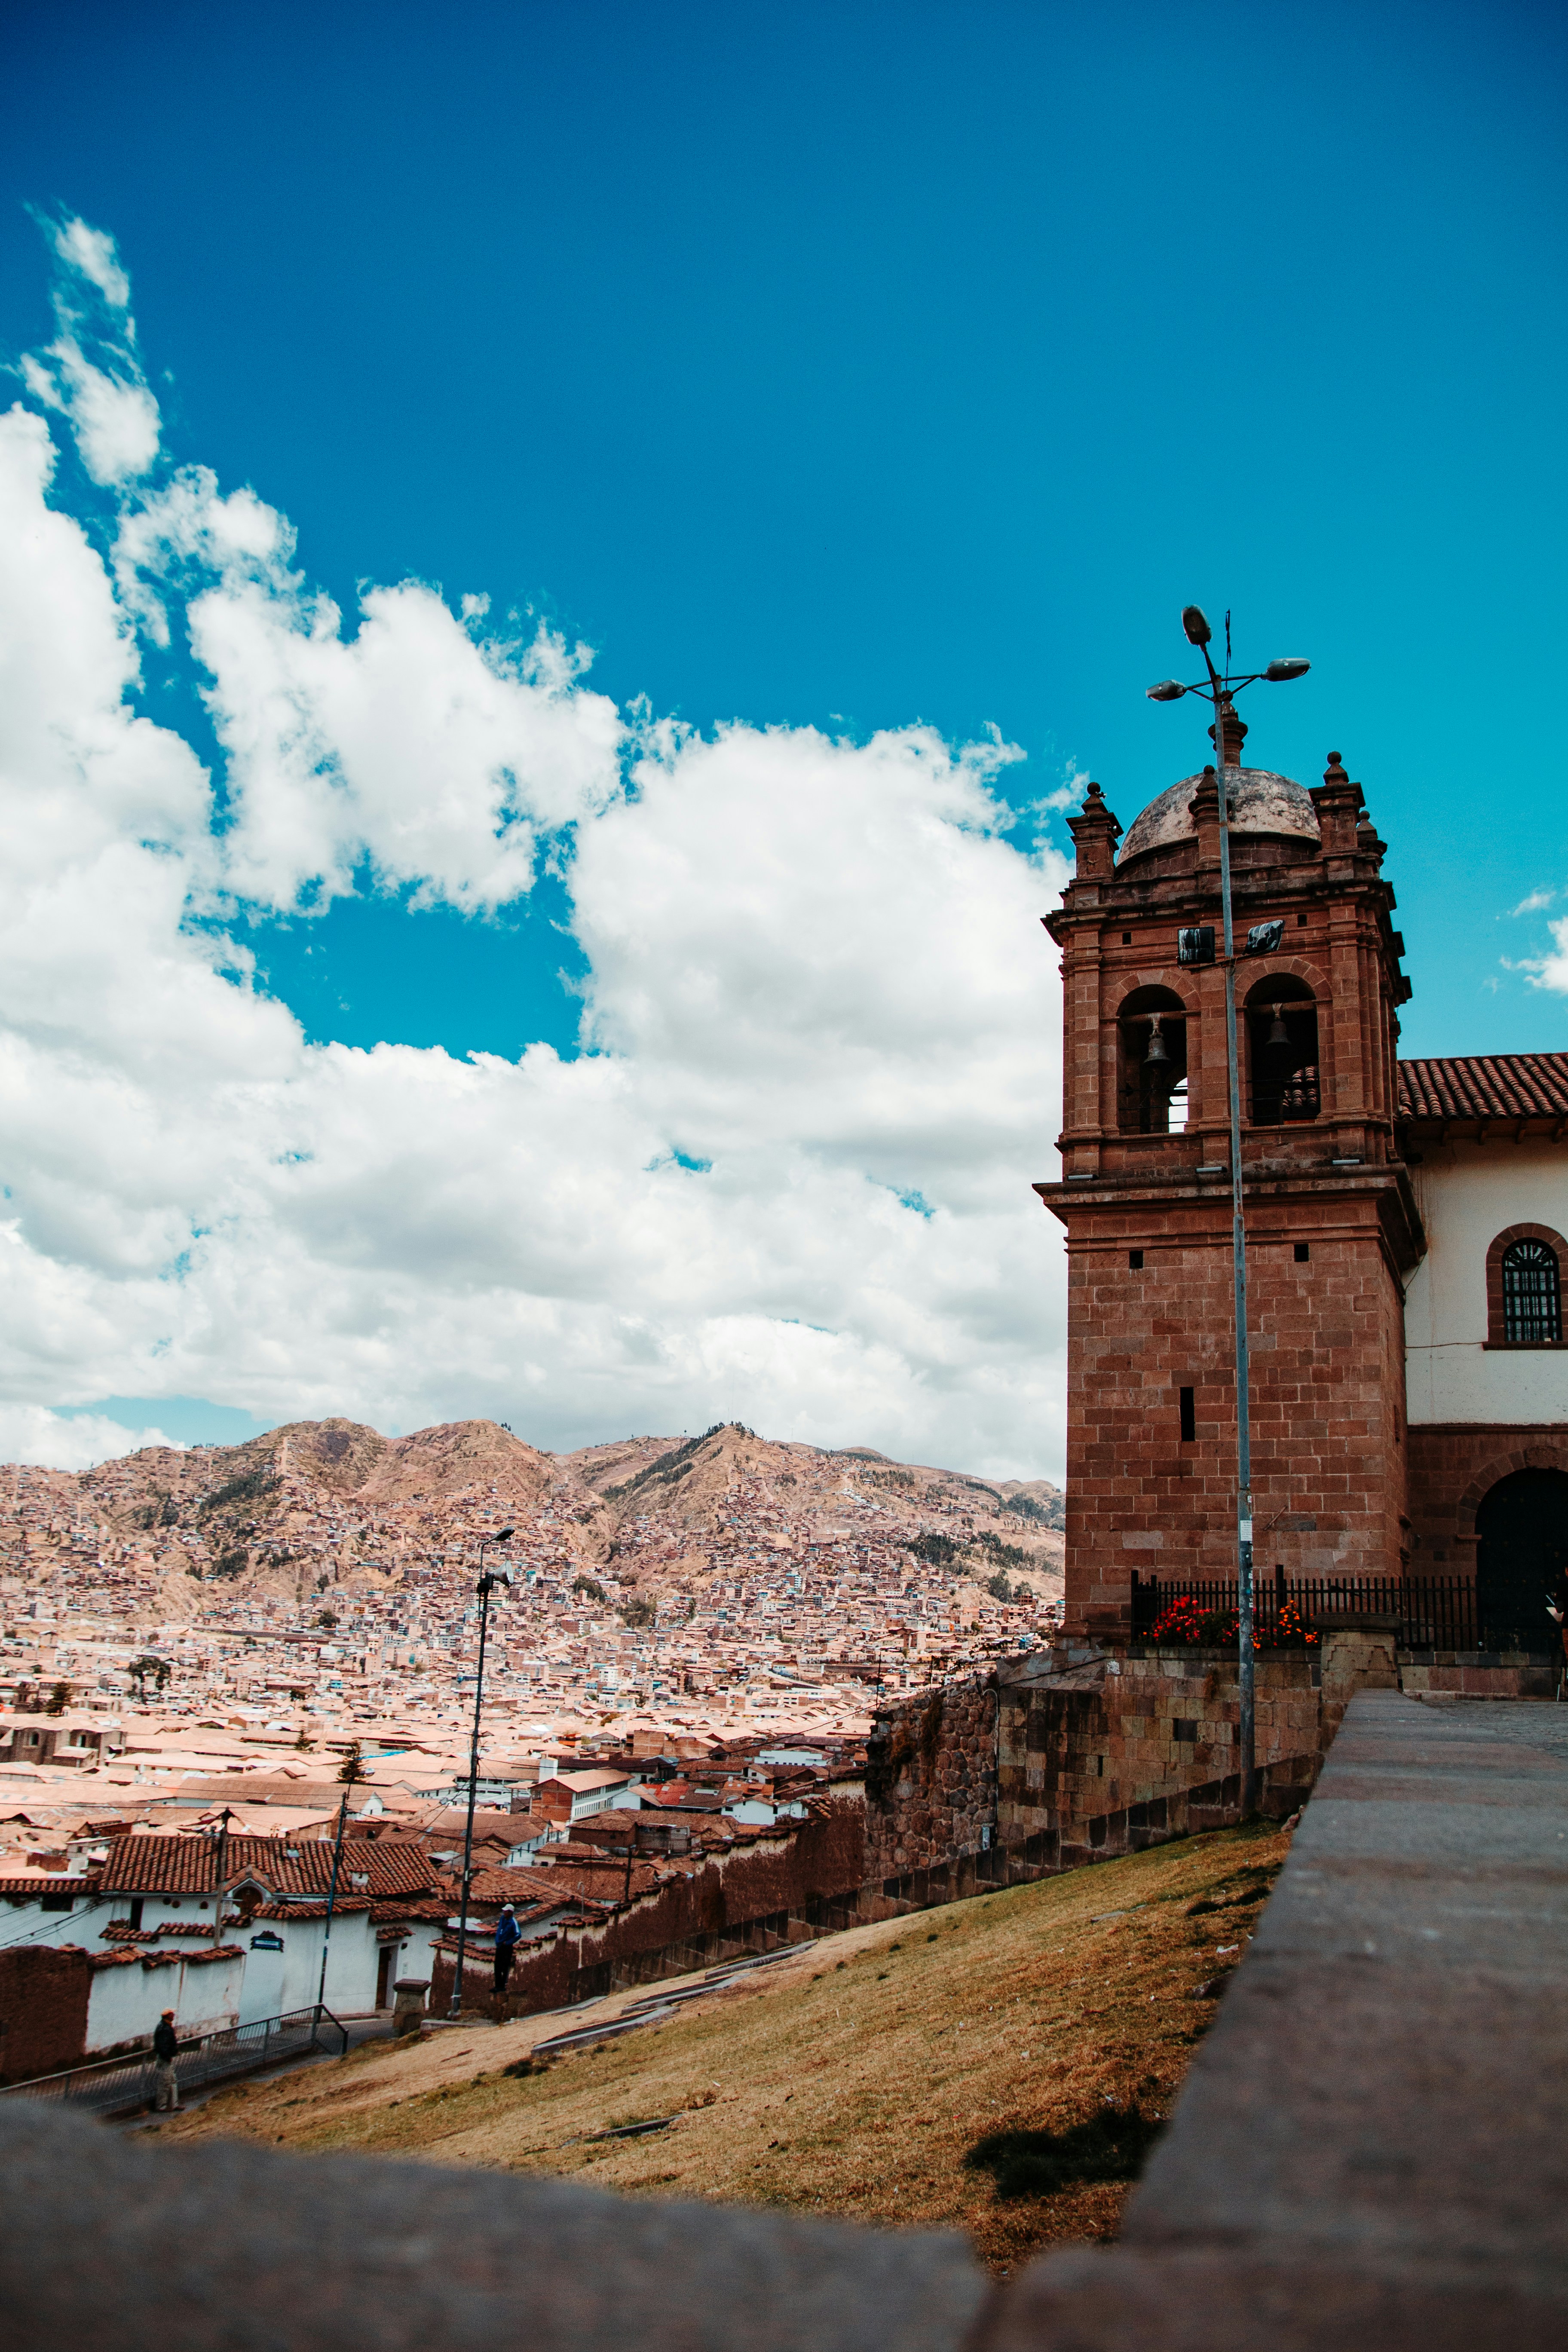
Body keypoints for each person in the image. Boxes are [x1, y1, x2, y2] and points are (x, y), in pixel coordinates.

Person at [151, 2009, 180, 2114]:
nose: (174, 2015)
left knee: (172, 2081)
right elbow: (162, 2046)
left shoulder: (165, 2026)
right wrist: (168, 2056)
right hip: (165, 2060)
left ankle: (173, 2104)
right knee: (165, 2083)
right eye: (172, 2014)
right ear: (167, 2016)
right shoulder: (164, 2028)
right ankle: (161, 2106)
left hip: (166, 2058)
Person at [493, 1903, 521, 2003]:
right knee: (497, 1966)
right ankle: (498, 1986)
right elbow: (499, 1930)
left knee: (505, 1967)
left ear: (511, 1912)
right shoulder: (502, 1919)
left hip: (507, 1947)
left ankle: (502, 1987)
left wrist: (508, 1942)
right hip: (500, 1946)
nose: (504, 1912)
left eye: (506, 1911)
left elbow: (518, 1935)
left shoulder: (513, 1922)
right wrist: (498, 1941)